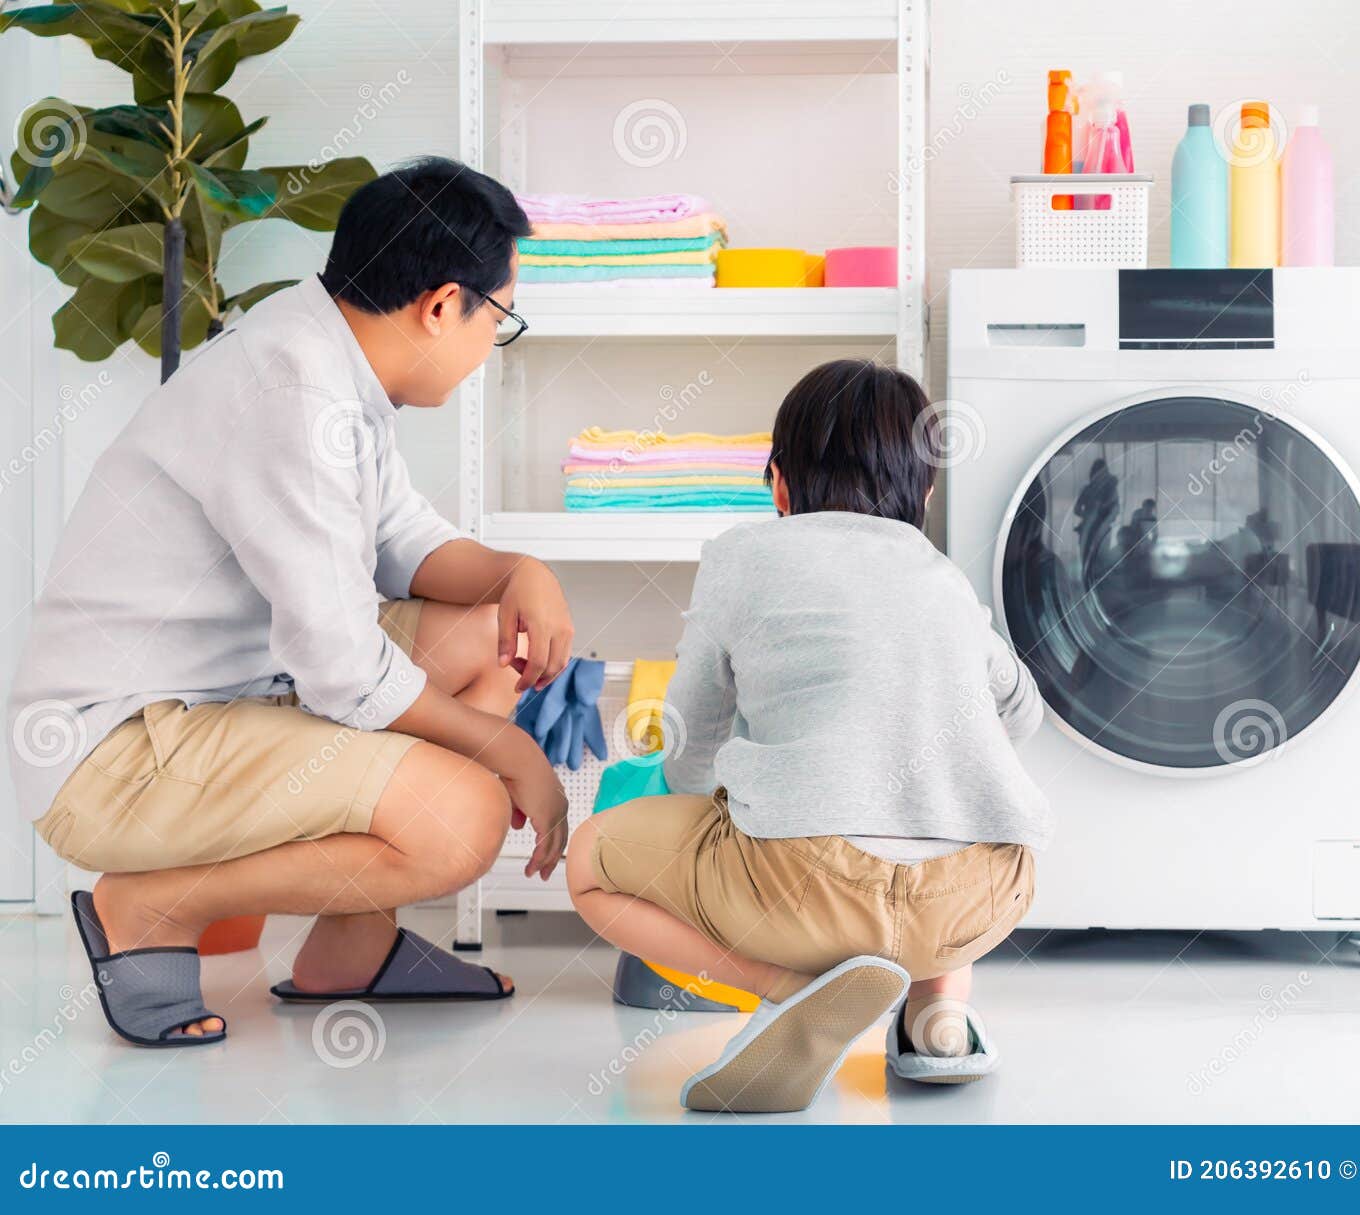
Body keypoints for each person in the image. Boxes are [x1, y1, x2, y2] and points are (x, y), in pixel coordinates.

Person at [7, 158, 572, 1047]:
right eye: (498, 315)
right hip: (118, 749)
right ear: (441, 304)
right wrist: (509, 751)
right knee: (458, 820)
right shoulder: (294, 392)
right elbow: (344, 670)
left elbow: (405, 545)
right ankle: (149, 906)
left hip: (216, 700)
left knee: (483, 634)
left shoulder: (330, 355)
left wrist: (518, 572)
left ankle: (354, 949)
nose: (490, 344)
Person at [566, 359, 1050, 1113]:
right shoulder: (942, 577)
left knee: (587, 860)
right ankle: (936, 1013)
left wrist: (707, 810)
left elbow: (691, 743)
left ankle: (790, 991)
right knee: (946, 808)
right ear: (924, 492)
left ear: (779, 484)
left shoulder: (744, 555)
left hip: (807, 887)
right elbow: (1023, 714)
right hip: (981, 896)